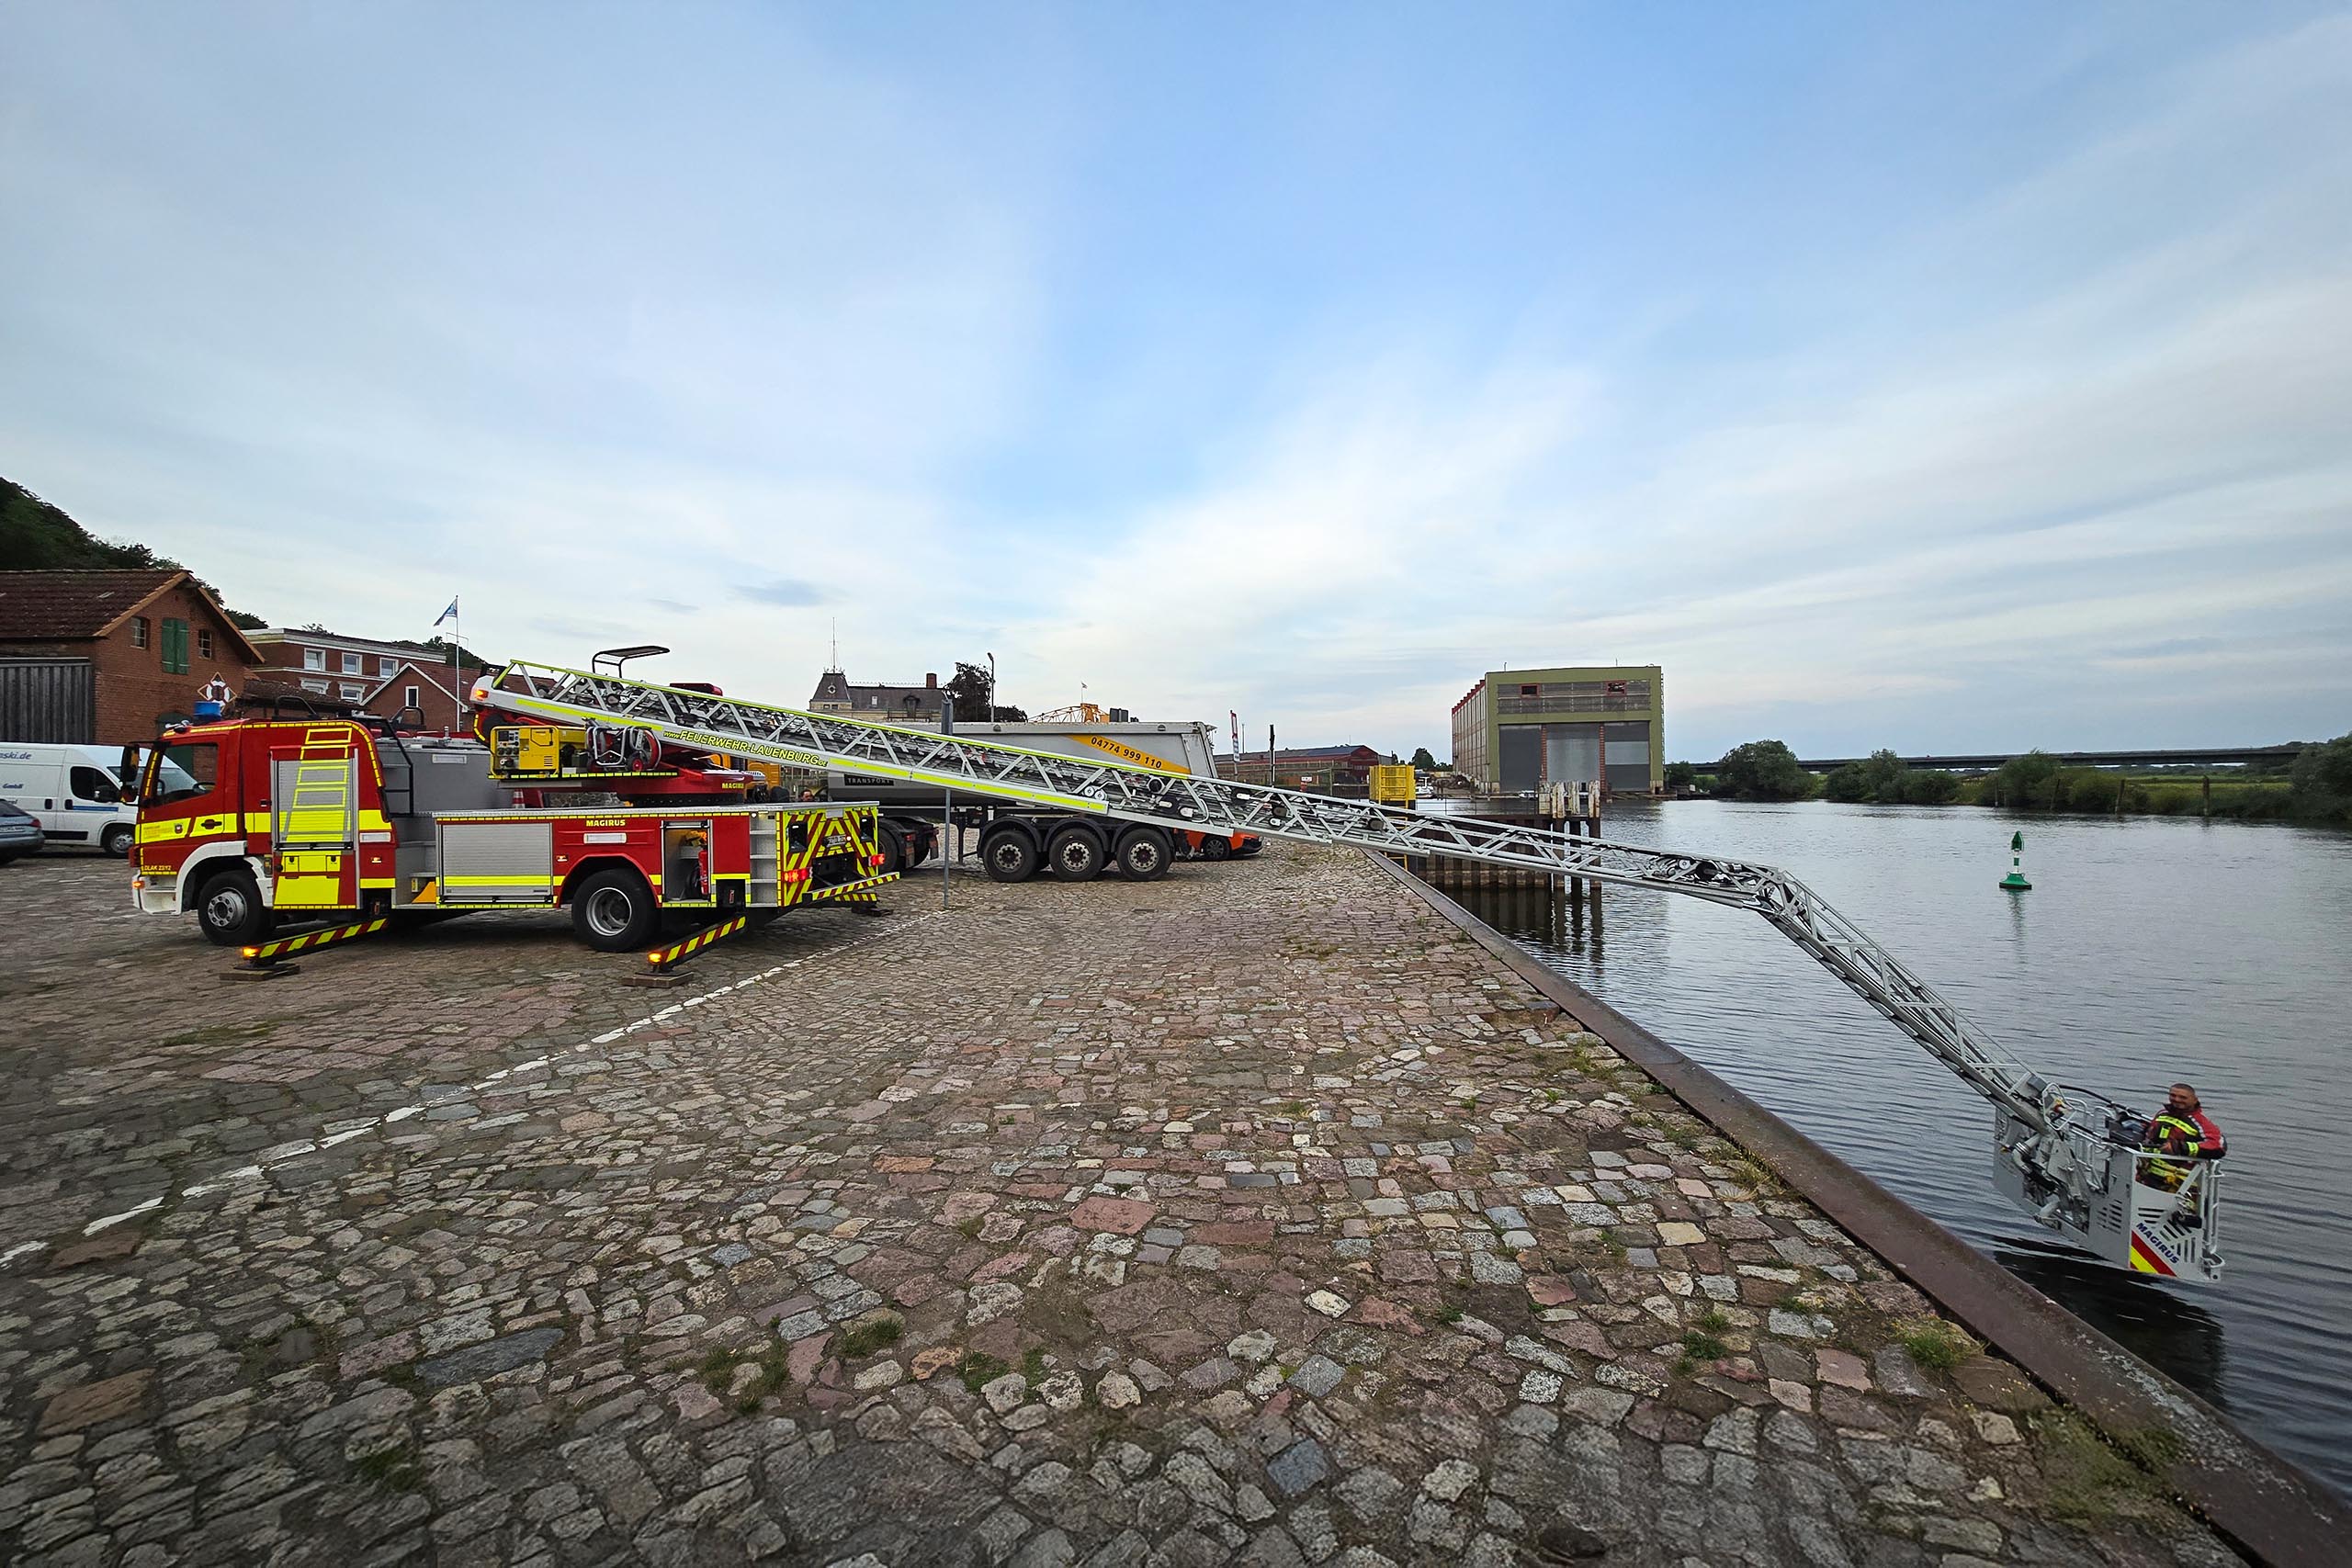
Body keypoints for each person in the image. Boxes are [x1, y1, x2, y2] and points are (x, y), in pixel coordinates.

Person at [2141, 1082, 2225, 1192]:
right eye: (2173, 1095)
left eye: (2183, 1097)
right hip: (2149, 1176)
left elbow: (2217, 1147)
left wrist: (2179, 1147)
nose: (2177, 1099)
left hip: (2179, 1186)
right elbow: (2154, 1136)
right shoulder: (2163, 1114)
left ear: (2194, 1100)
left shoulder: (2201, 1122)